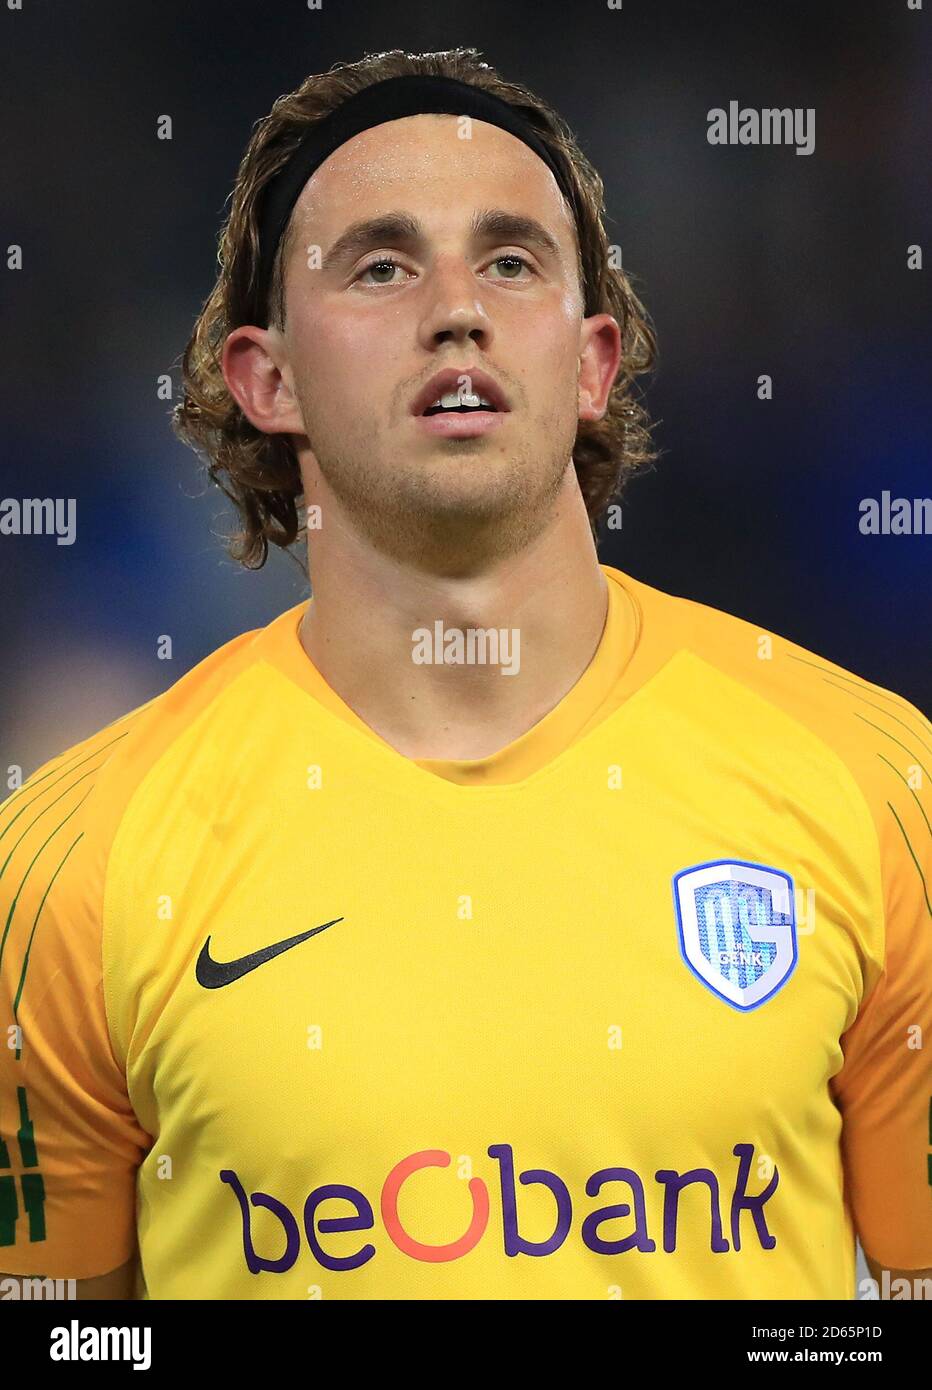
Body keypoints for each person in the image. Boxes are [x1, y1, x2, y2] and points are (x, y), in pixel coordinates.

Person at [1, 48, 929, 1301]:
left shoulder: (879, 791)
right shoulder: (70, 869)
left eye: (509, 261)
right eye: (380, 266)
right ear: (267, 378)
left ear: (592, 363)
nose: (456, 309)